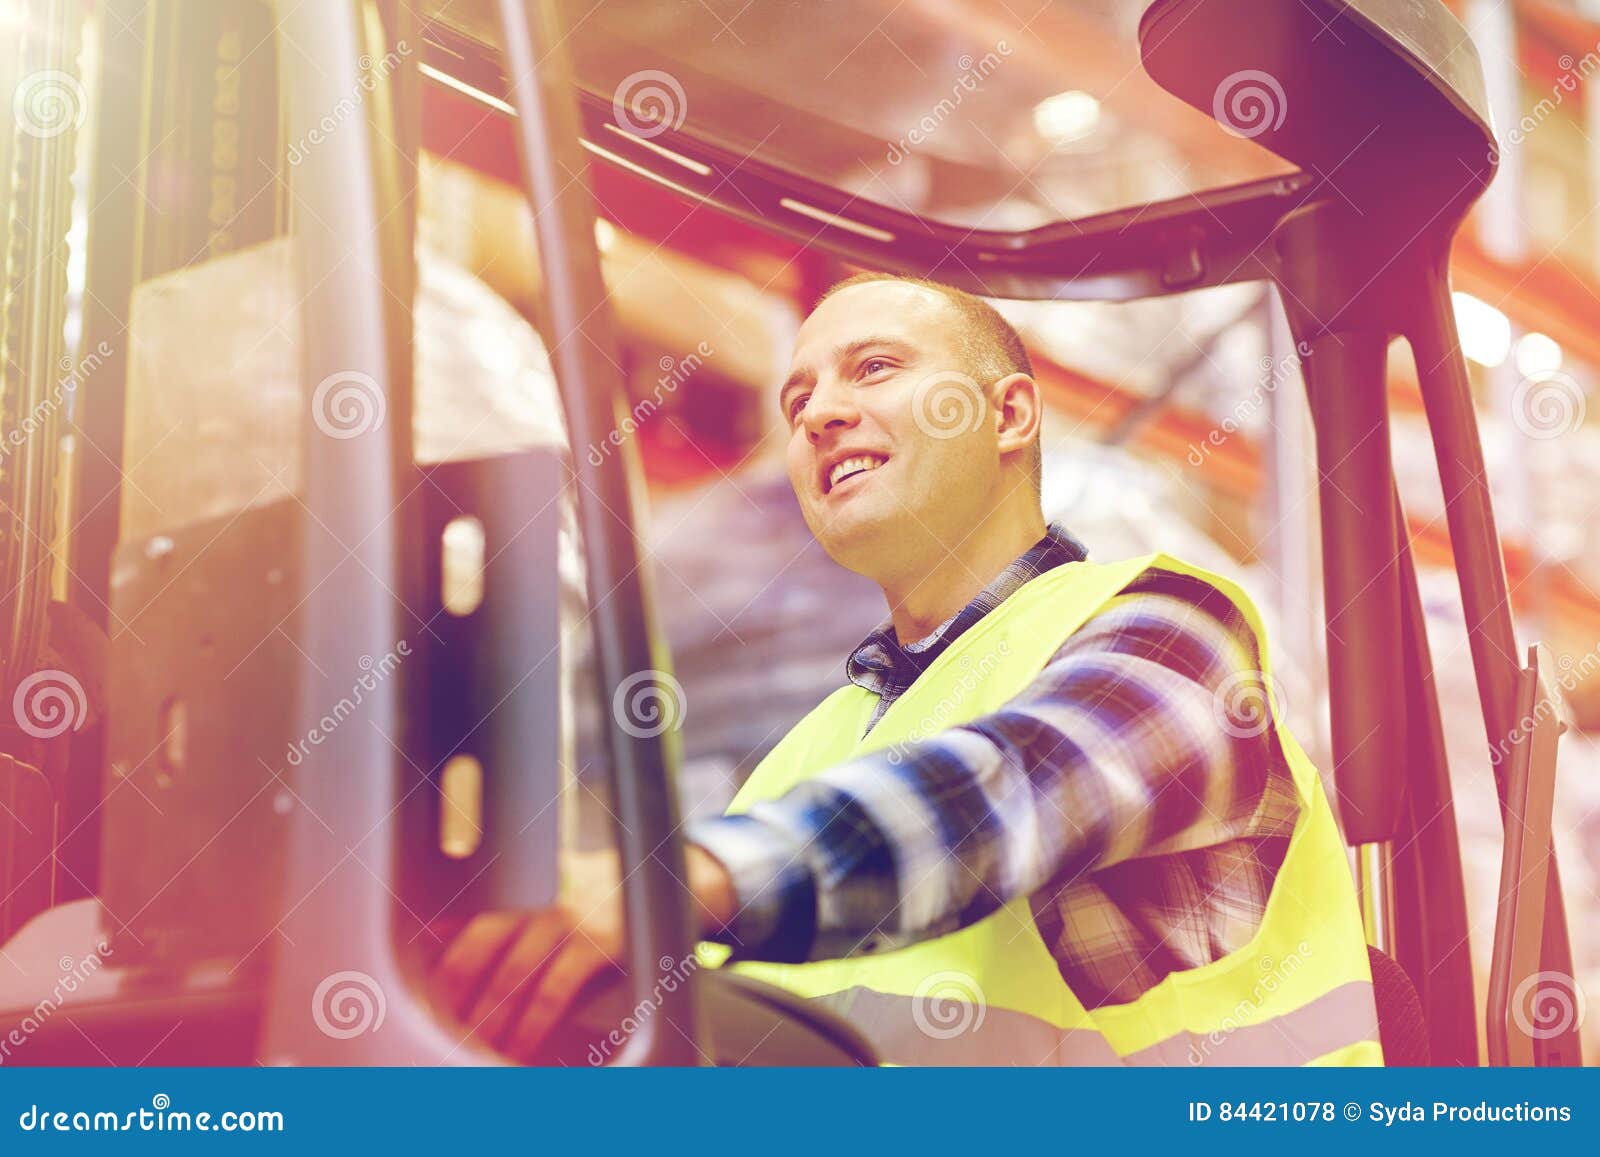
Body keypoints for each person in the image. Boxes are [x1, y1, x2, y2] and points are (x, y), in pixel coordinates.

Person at [432, 273, 1382, 1066]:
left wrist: (691, 876)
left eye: (875, 368)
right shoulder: (817, 746)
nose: (820, 416)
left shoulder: (1172, 629)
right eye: (797, 400)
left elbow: (1015, 794)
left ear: (1009, 414)